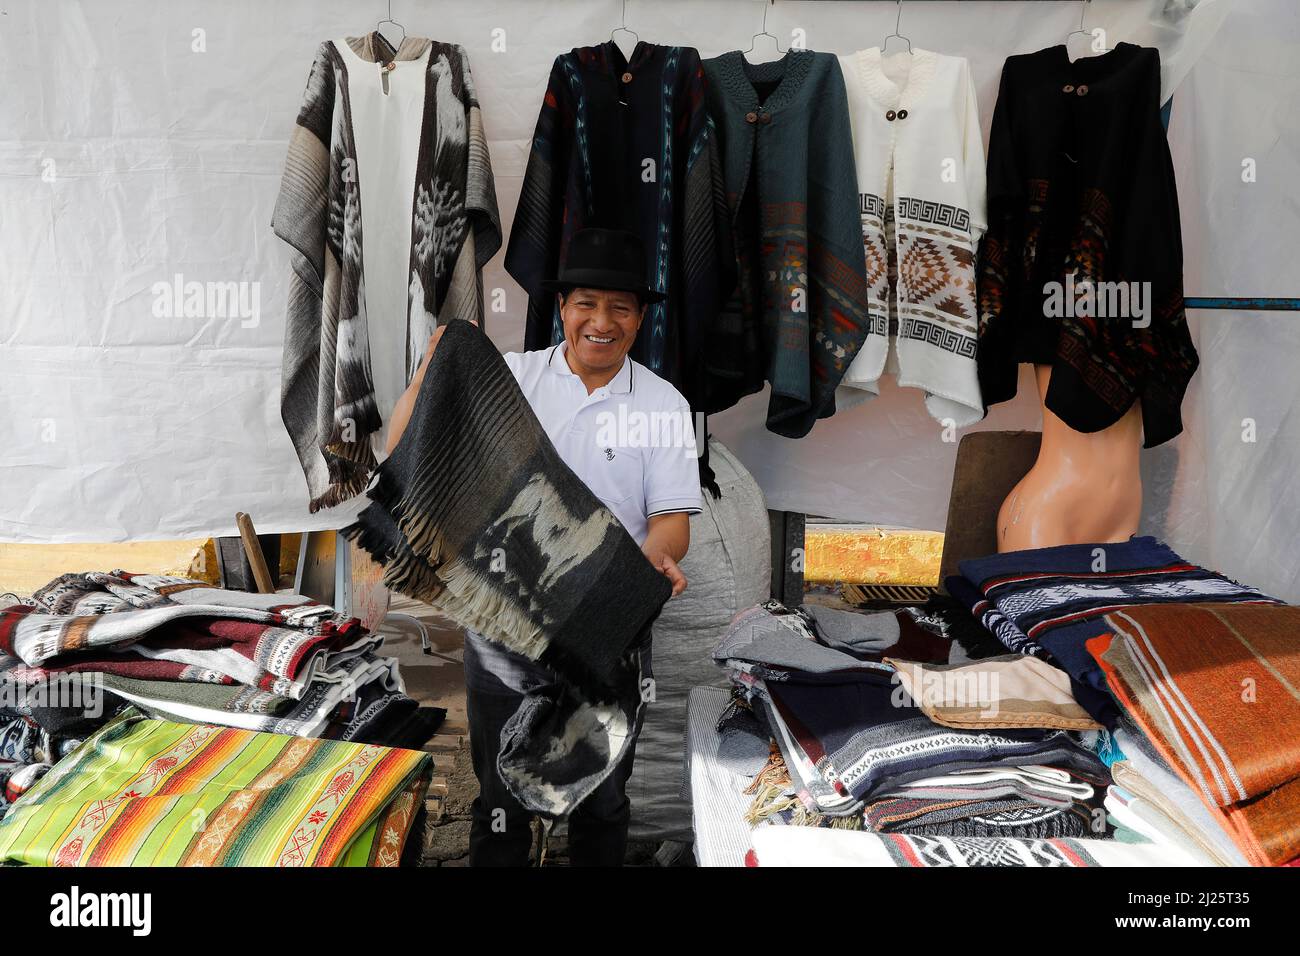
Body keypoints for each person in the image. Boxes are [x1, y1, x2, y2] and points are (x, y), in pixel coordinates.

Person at [385, 227, 703, 866]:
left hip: (607, 629)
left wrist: (657, 558)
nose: (601, 322)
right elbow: (403, 449)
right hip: (506, 621)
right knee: (498, 801)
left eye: (620, 307)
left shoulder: (663, 405)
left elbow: (671, 518)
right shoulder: (511, 381)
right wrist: (431, 370)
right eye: (586, 302)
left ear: (640, 319)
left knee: (602, 797)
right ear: (563, 308)